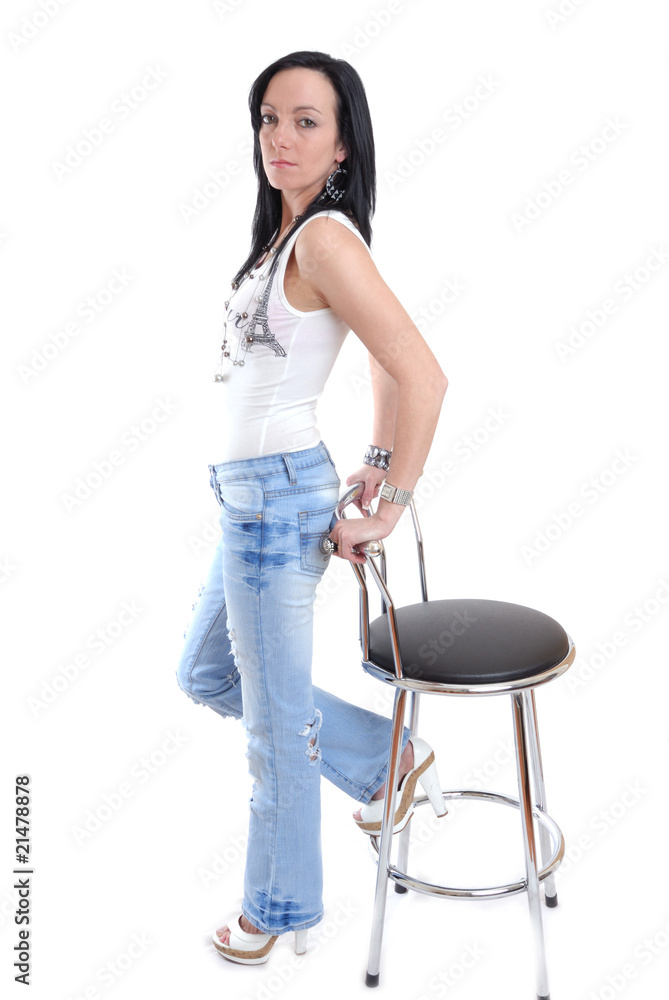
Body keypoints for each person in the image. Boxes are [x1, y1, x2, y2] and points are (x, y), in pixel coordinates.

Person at [176, 50, 448, 967]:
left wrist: (391, 498)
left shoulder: (327, 237)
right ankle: (386, 760)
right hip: (245, 502)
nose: (278, 138)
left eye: (303, 122)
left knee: (273, 729)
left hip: (274, 506)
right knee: (206, 673)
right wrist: (371, 452)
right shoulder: (289, 239)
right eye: (267, 118)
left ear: (341, 146)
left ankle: (278, 905)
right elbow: (379, 352)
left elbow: (421, 371)